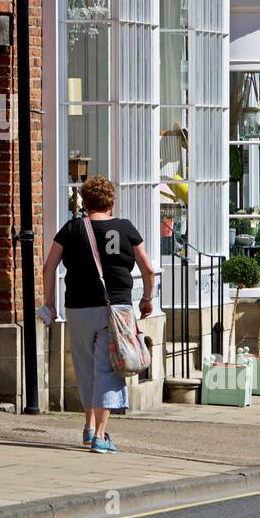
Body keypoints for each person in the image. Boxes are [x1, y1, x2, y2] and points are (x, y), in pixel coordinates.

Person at [36, 175, 155, 454]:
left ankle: (89, 428)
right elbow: (148, 270)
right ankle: (100, 437)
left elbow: (48, 267)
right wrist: (147, 300)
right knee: (108, 369)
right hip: (116, 309)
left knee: (86, 367)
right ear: (111, 202)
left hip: (78, 308)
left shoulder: (72, 228)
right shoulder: (125, 228)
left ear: (85, 203)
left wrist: (50, 304)